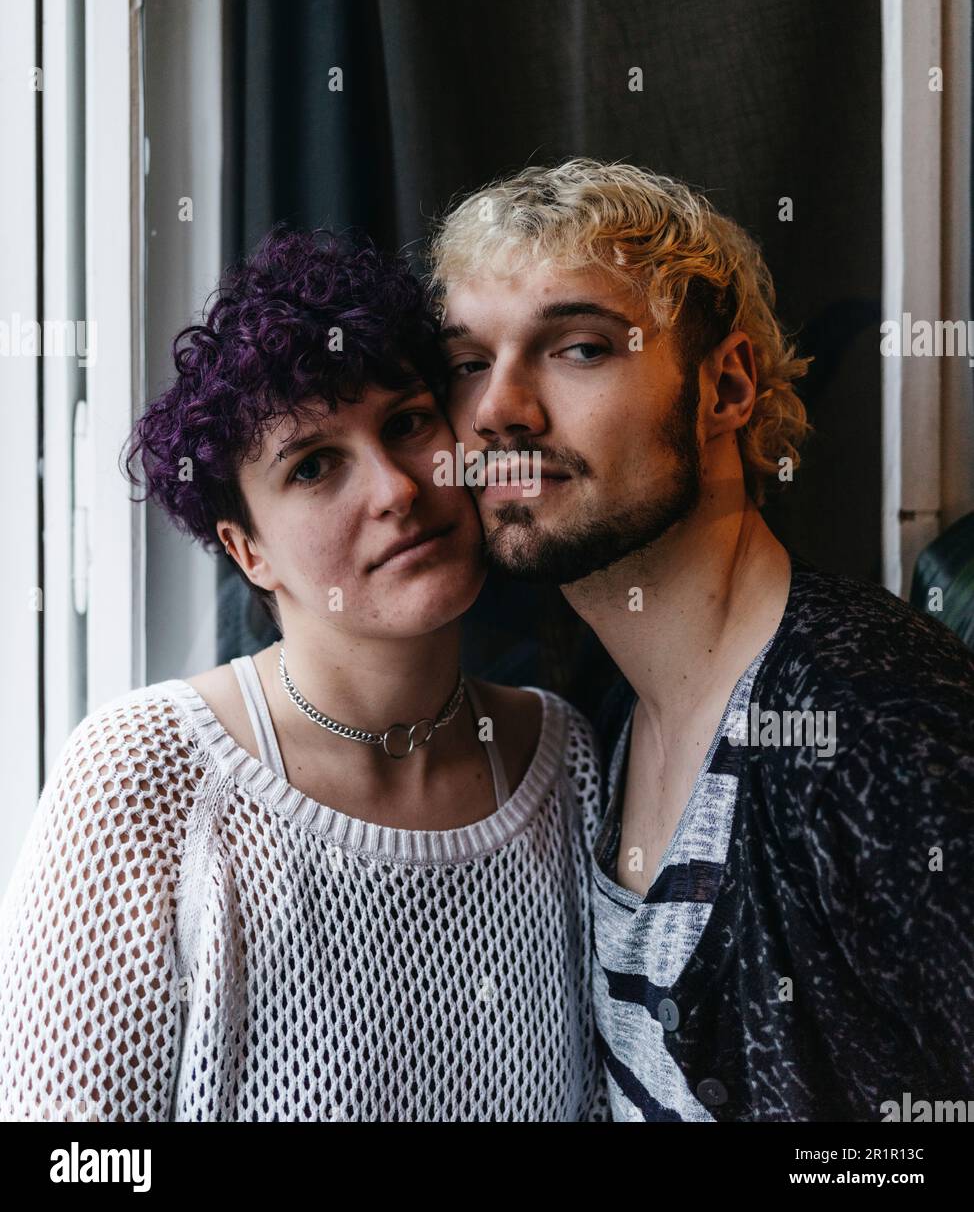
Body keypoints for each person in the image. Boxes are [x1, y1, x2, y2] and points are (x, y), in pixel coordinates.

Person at [0, 226, 607, 1123]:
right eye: (314, 465)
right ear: (250, 553)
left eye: (406, 423)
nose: (397, 489)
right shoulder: (142, 781)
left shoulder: (567, 764)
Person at [428, 156, 974, 1122]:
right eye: (470, 361)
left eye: (581, 347)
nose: (497, 410)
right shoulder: (614, 725)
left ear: (725, 387)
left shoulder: (869, 724)